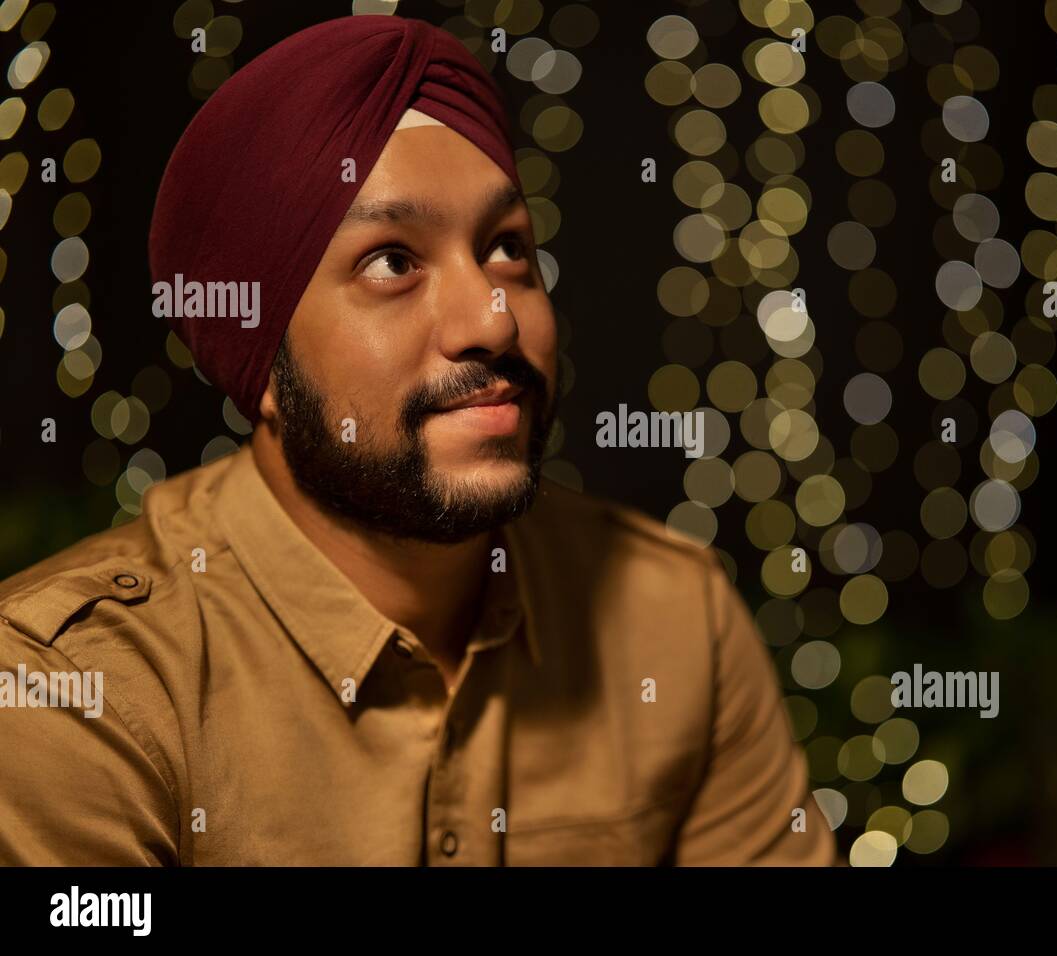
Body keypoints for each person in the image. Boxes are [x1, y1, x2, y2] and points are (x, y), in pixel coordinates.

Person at [0, 15, 837, 866]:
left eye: (508, 249)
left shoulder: (672, 612)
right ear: (257, 361)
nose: (494, 318)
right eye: (392, 262)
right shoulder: (71, 690)